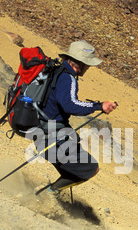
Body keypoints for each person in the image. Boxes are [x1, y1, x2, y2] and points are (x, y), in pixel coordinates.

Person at [36, 40, 117, 195]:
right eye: (88, 64)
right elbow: (71, 105)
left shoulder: (56, 71)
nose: (89, 68)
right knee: (91, 169)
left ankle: (47, 195)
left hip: (43, 132)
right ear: (80, 63)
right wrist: (99, 106)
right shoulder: (68, 78)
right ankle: (46, 196)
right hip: (51, 136)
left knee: (74, 171)